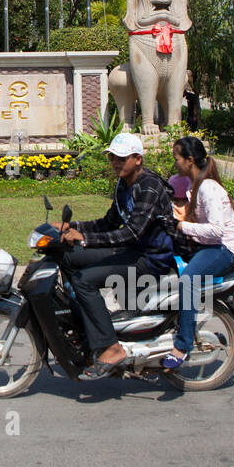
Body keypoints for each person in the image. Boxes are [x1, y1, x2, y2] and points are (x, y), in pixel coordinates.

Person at [59, 132, 180, 378]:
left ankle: (112, 347)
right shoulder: (124, 185)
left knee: (84, 280)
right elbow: (109, 222)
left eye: (121, 158)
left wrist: (85, 239)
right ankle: (86, 322)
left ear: (137, 159)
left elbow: (132, 233)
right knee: (68, 257)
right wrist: (73, 228)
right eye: (113, 157)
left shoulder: (150, 186)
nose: (115, 162)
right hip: (131, 251)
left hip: (150, 258)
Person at [163, 135, 234, 370]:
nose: (174, 162)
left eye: (177, 158)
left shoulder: (208, 188)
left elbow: (217, 230)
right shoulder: (191, 183)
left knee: (188, 280)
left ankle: (183, 345)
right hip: (205, 245)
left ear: (189, 160)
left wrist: (181, 226)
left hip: (222, 249)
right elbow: (171, 185)